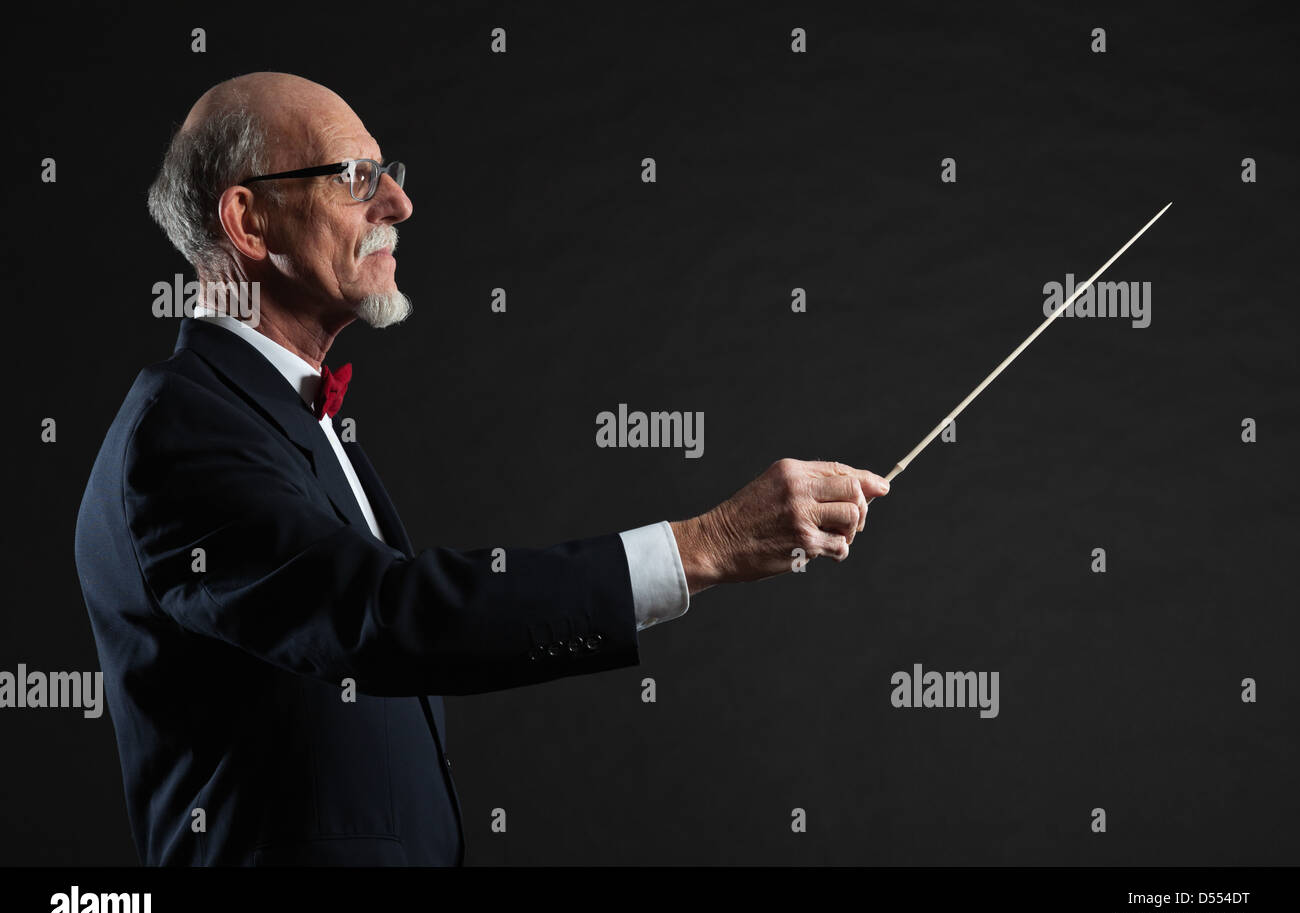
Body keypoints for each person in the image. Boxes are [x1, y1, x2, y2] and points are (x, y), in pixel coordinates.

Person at [73, 72, 890, 866]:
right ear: (249, 222)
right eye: (359, 178)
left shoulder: (283, 416)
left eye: (388, 177)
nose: (398, 205)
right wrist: (700, 547)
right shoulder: (182, 431)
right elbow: (386, 618)